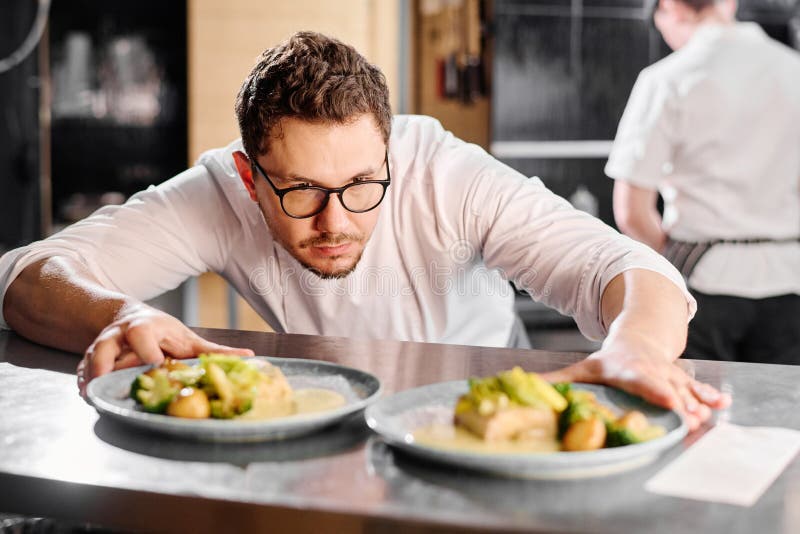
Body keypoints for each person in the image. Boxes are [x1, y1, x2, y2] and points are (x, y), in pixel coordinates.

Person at [0, 31, 728, 429]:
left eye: (361, 186)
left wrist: (635, 348)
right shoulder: (222, 190)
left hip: (490, 425)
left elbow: (620, 266)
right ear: (252, 177)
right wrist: (118, 314)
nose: (336, 221)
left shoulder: (448, 174)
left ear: (388, 152)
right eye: (303, 192)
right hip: (324, 423)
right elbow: (24, 273)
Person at [607, 0, 800, 364]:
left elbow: (632, 212)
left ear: (670, 9)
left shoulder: (665, 79)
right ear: (730, 3)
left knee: (698, 412)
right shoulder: (794, 71)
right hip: (790, 284)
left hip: (702, 288)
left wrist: (674, 257)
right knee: (783, 416)